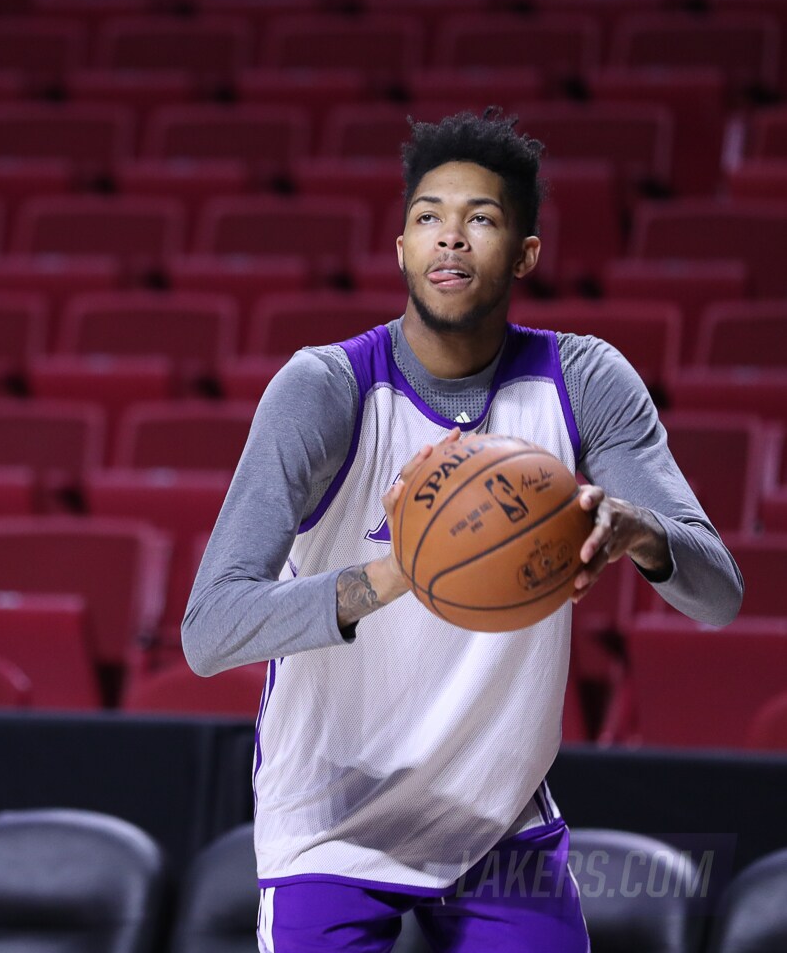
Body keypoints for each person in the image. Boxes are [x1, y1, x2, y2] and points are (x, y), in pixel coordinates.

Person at [183, 108, 744, 952]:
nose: (450, 237)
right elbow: (210, 630)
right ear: (401, 248)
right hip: (330, 817)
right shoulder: (326, 389)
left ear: (525, 253)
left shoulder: (582, 380)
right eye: (428, 218)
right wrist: (398, 572)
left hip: (495, 817)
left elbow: (719, 596)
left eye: (480, 218)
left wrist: (640, 531)